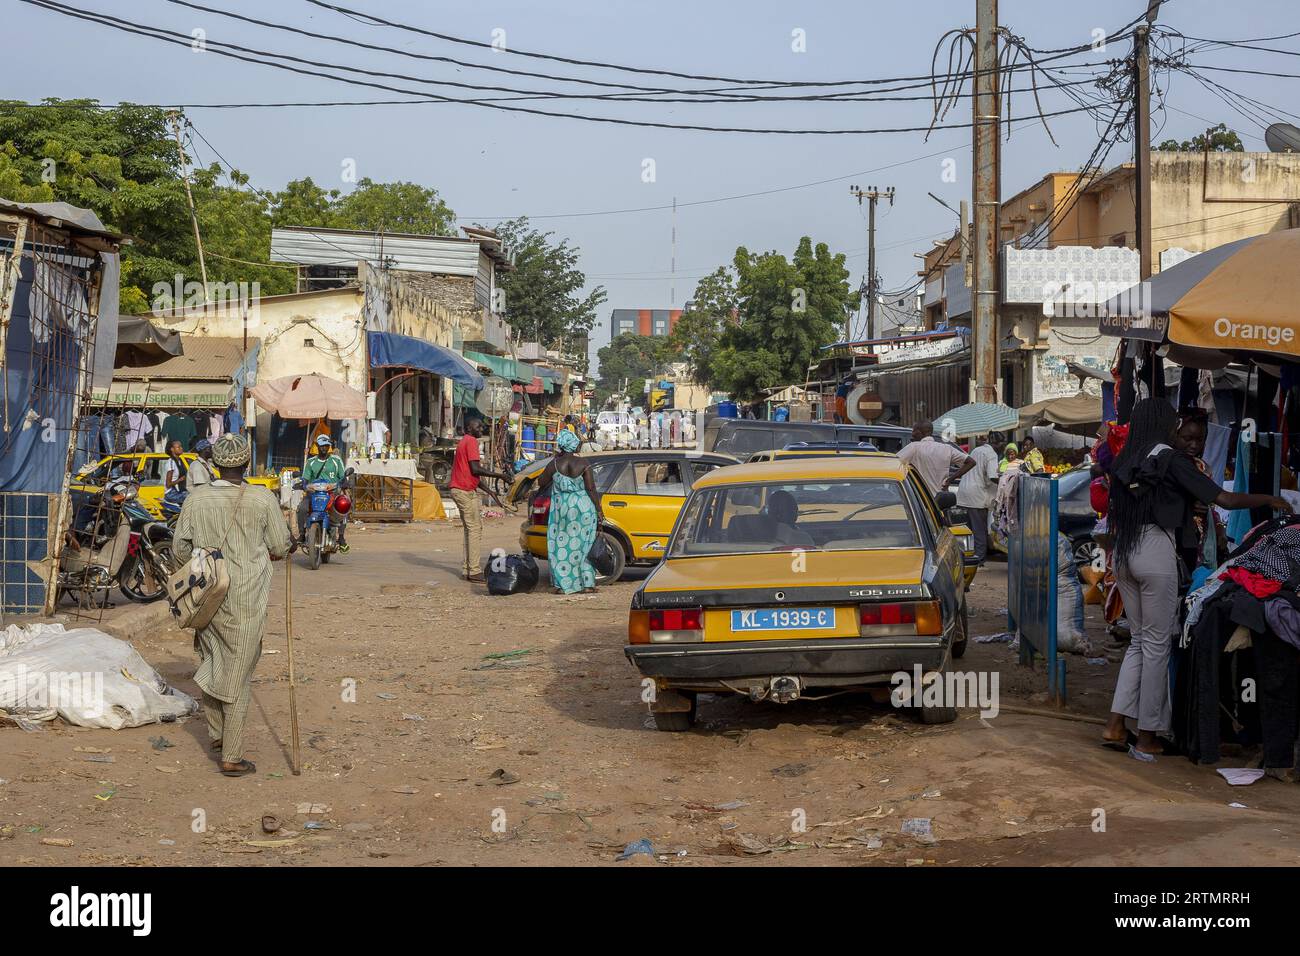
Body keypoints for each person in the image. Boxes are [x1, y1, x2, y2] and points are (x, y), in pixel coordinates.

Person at [1101, 398, 1291, 759]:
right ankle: (1147, 737)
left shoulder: (1127, 458)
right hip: (1155, 550)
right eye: (1173, 424)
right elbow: (1224, 499)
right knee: (1157, 646)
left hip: (1123, 553)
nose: (1178, 431)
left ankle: (1114, 724)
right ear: (1162, 425)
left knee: (1139, 644)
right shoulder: (1171, 459)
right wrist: (1272, 499)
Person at [173, 433, 292, 777]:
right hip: (246, 598)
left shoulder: (196, 500)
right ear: (246, 462)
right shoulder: (261, 498)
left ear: (214, 464)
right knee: (238, 675)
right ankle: (232, 755)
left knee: (213, 660)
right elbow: (281, 546)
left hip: (207, 595)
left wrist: (205, 560)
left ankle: (216, 734)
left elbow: (180, 550)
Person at [536, 430, 602, 594]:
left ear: (561, 445)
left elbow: (541, 482)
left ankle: (564, 585)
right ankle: (587, 583)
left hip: (562, 508)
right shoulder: (583, 463)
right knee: (584, 545)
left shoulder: (554, 464)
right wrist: (599, 509)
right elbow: (591, 488)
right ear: (574, 444)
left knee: (562, 546)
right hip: (583, 507)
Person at [449, 418, 509, 583]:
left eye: (482, 426)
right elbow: (476, 469)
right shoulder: (471, 442)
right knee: (474, 529)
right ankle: (474, 570)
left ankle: (468, 568)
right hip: (464, 491)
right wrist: (500, 475)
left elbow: (472, 474)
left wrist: (491, 492)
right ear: (469, 428)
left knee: (471, 529)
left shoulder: (465, 442)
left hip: (464, 489)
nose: (481, 428)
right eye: (478, 426)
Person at [956, 432, 1007, 567]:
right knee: (980, 531)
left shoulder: (977, 450)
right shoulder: (992, 454)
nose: (1003, 447)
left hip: (964, 494)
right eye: (1002, 444)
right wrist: (1006, 481)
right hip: (977, 496)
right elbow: (992, 476)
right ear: (997, 443)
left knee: (968, 531)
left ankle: (967, 559)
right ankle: (979, 561)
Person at [297, 435, 349, 552]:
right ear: (317, 447)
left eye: (326, 446)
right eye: (321, 446)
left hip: (332, 494)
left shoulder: (336, 460)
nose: (324, 448)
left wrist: (342, 483)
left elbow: (342, 477)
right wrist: (305, 486)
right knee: (301, 508)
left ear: (329, 447)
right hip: (314, 495)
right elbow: (305, 479)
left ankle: (341, 537)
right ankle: (302, 534)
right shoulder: (310, 462)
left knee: (343, 505)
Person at [897, 420, 973, 498]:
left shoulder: (914, 447)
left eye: (914, 431)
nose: (912, 434)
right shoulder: (947, 448)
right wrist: (950, 479)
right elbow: (971, 462)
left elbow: (894, 463)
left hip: (922, 500)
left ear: (920, 432)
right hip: (941, 499)